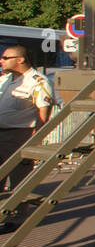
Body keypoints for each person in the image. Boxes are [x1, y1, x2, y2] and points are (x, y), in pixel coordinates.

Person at [0, 44, 54, 234]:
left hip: (19, 135)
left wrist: (36, 139)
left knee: (19, 179)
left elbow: (43, 112)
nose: (1, 60)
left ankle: (16, 219)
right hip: (1, 134)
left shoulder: (38, 81)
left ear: (20, 59)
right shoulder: (7, 79)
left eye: (5, 57)